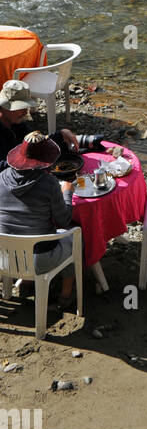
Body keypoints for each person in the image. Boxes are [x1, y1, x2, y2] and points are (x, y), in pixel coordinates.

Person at [0, 133, 76, 306]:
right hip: (39, 259)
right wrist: (67, 191)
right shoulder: (49, 184)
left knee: (23, 233)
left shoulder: (1, 178)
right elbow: (64, 220)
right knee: (76, 238)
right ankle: (66, 295)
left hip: (5, 256)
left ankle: (27, 283)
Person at [0, 81, 105, 166]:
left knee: (57, 150)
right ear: (3, 107)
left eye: (25, 107)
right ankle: (74, 143)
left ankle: (71, 142)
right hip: (7, 180)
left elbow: (38, 142)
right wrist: (26, 162)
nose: (25, 112)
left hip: (19, 164)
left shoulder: (17, 124)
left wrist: (60, 135)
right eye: (19, 108)